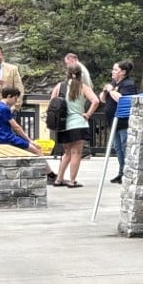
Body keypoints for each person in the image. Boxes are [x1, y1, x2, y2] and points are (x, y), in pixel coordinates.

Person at [48, 56, 98, 187]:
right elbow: (96, 101)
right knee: (77, 153)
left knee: (67, 153)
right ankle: (72, 180)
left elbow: (52, 102)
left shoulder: (60, 86)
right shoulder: (83, 87)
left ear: (67, 73)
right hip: (79, 123)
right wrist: (88, 114)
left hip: (64, 124)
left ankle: (59, 179)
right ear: (80, 73)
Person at [101, 60, 137, 183]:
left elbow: (122, 100)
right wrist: (105, 91)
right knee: (117, 147)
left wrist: (111, 91)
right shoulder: (114, 83)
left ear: (123, 72)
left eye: (115, 70)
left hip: (123, 121)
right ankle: (121, 172)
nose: (113, 72)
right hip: (113, 121)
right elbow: (103, 100)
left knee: (124, 146)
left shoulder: (128, 85)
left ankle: (127, 172)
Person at [0, 82, 38, 150]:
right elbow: (16, 128)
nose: (15, 102)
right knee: (36, 150)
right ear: (9, 96)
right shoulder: (4, 108)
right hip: (7, 140)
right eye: (15, 99)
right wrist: (30, 140)